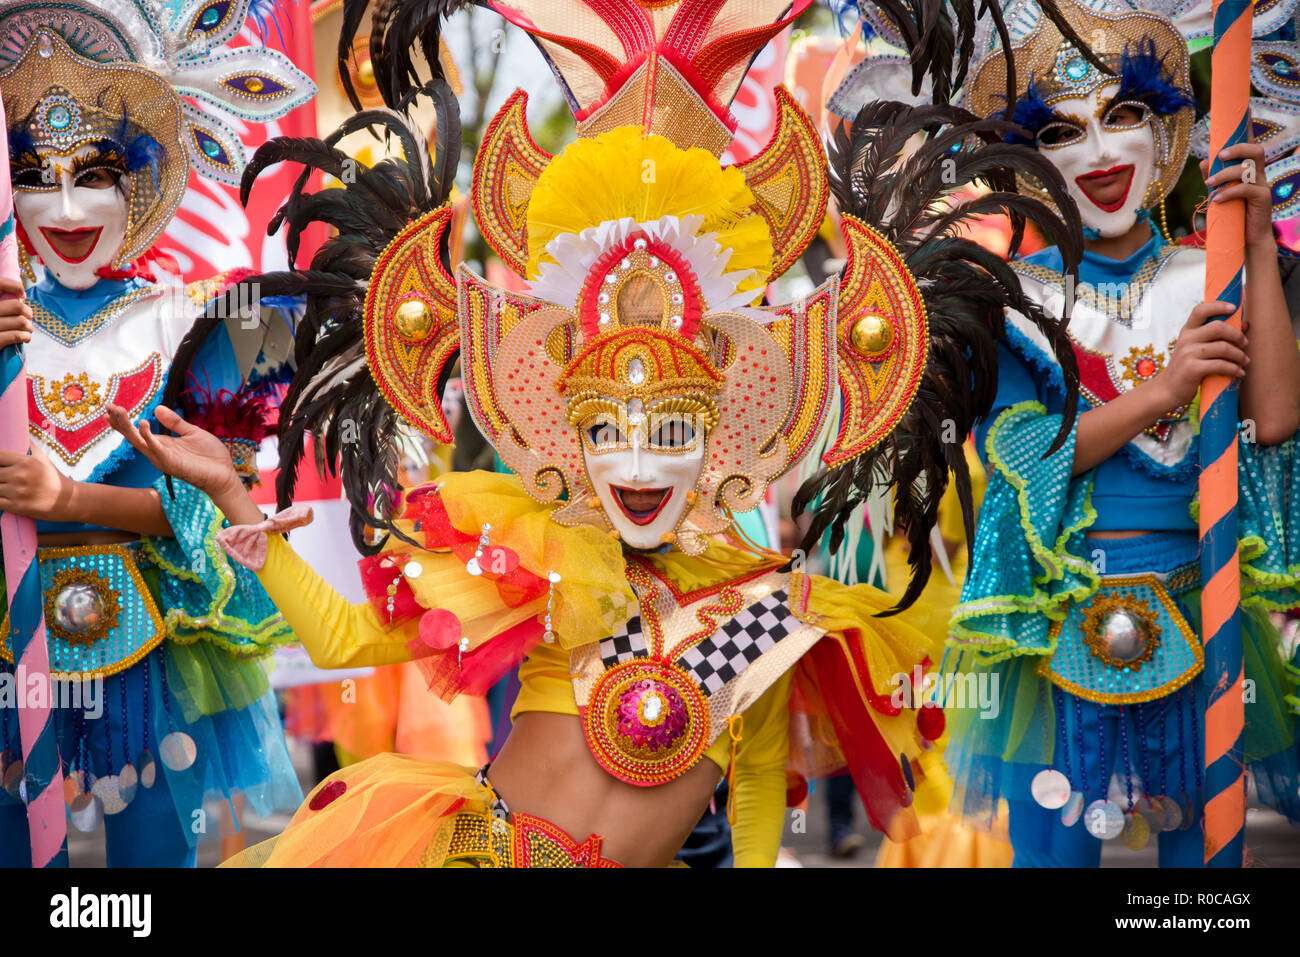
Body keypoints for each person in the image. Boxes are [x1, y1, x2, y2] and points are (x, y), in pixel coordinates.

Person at [111, 0, 1084, 868]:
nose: (638, 462)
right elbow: (340, 641)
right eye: (606, 429)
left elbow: (792, 775)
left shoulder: (784, 614)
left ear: (724, 440)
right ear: (563, 440)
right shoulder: (533, 566)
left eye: (669, 428)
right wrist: (234, 498)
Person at [945, 0, 1300, 866]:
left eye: (1123, 116)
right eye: (1065, 133)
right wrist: (1166, 389)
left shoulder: (1210, 270)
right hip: (1062, 618)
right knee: (1053, 856)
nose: (1101, 155)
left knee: (1199, 888)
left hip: (1200, 604)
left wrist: (1255, 246)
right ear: (1030, 162)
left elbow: (1278, 419)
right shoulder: (1011, 297)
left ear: (1168, 134)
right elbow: (1024, 456)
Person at [0, 0, 313, 866]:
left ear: (137, 177)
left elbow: (219, 508)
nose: (63, 205)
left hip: (151, 650)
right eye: (34, 174)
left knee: (145, 865)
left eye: (92, 171)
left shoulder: (188, 322)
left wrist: (70, 497)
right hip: (5, 645)